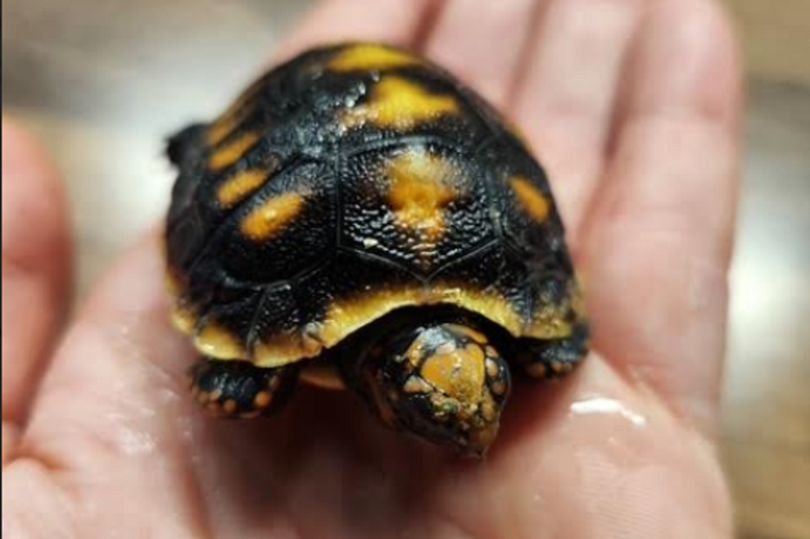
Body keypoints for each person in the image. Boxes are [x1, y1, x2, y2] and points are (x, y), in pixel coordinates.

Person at [3, 0, 741, 536]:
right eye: (434, 411)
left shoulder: (518, 340)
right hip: (287, 126)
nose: (474, 427)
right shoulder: (306, 348)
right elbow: (245, 356)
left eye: (490, 391)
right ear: (385, 385)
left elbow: (550, 332)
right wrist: (253, 366)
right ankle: (212, 142)